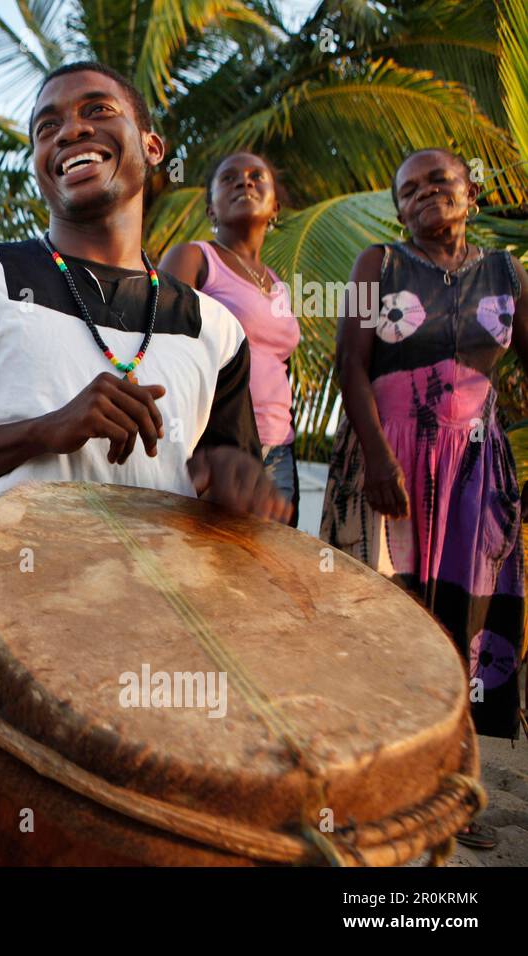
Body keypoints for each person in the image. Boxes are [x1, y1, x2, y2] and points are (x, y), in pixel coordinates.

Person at [0, 62, 290, 866]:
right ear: (40, 164)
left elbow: (228, 468)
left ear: (149, 145)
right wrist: (44, 429)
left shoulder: (216, 327)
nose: (69, 131)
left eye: (96, 111)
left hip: (151, 651)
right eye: (48, 126)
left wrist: (245, 494)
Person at [321, 147, 528, 849]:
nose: (426, 196)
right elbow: (349, 363)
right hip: (391, 465)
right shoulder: (375, 264)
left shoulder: (508, 272)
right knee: (383, 619)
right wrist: (378, 458)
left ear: (470, 191)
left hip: (475, 468)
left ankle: (453, 791)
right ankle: (371, 786)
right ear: (398, 210)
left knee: (463, 627)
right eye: (409, 191)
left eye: (440, 181)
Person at [160, 152, 302, 525]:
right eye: (229, 178)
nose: (245, 182)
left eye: (258, 176)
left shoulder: (279, 283)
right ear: (211, 211)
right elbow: (161, 347)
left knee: (268, 574)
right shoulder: (194, 258)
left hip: (279, 448)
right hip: (221, 449)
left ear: (274, 208)